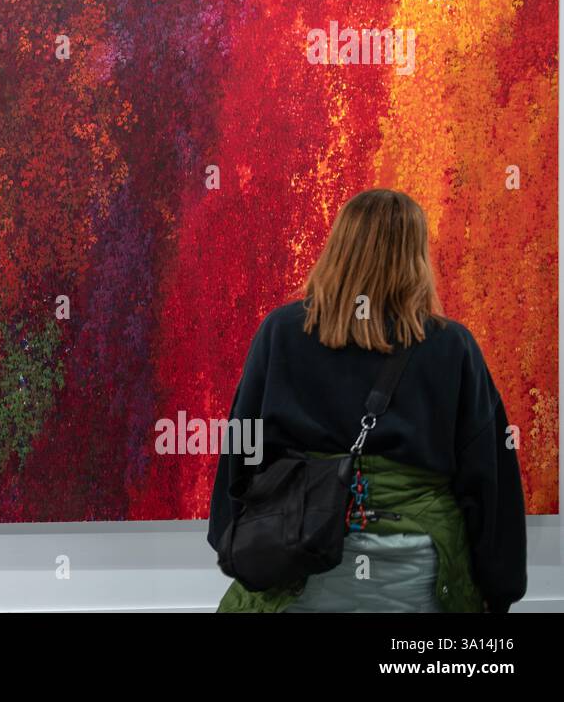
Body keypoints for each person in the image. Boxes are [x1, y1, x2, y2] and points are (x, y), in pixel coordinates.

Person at [206, 188, 527, 612]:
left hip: (298, 562)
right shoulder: (452, 346)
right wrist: (500, 588)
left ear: (339, 246)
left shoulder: (281, 332)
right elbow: (487, 477)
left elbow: (242, 450)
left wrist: (233, 542)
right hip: (417, 577)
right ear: (415, 257)